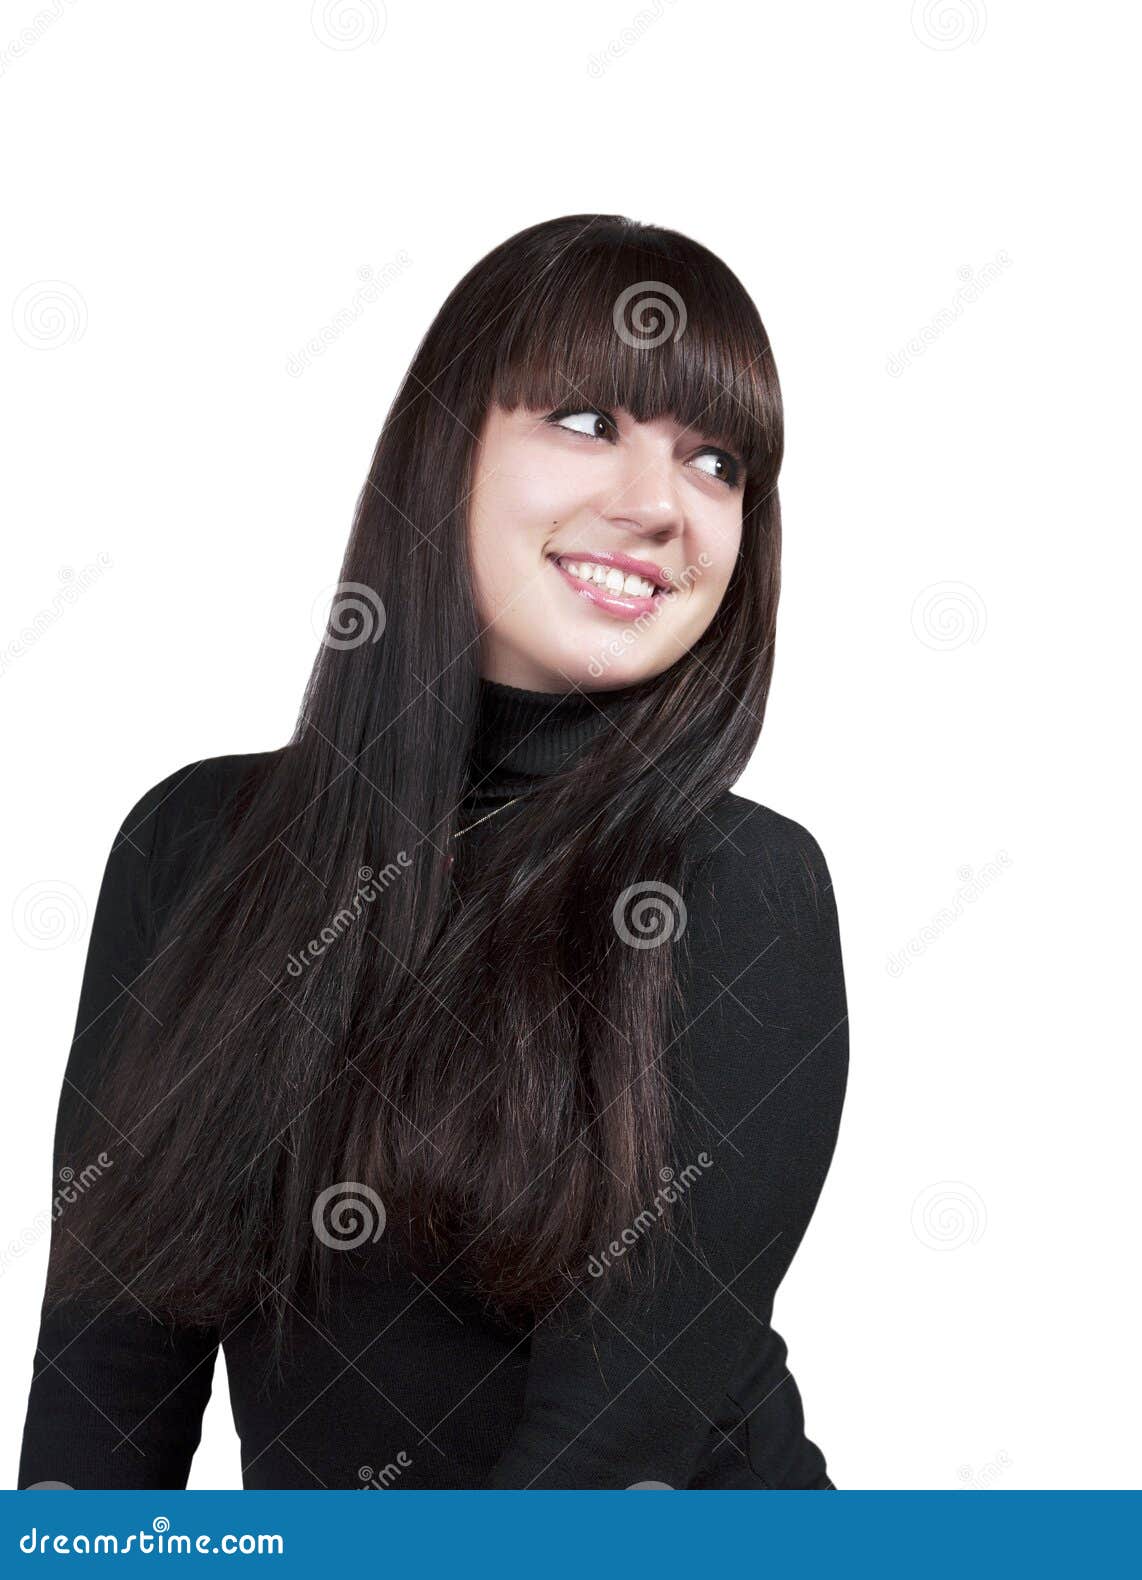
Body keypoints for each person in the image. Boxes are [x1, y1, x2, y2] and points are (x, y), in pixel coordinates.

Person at [16, 215, 849, 1490]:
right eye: (587, 421)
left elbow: (608, 1444)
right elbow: (106, 1374)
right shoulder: (191, 847)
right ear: (445, 447)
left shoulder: (739, 887)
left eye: (718, 462)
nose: (656, 505)